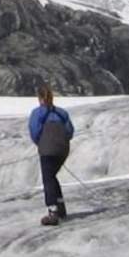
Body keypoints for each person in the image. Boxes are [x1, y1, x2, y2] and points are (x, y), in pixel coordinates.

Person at [28, 86, 73, 226]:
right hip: (63, 149)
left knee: (48, 179)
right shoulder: (62, 113)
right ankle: (61, 207)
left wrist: (42, 144)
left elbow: (34, 132)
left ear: (39, 98)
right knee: (52, 177)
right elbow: (70, 132)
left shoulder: (37, 113)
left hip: (47, 149)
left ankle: (53, 210)